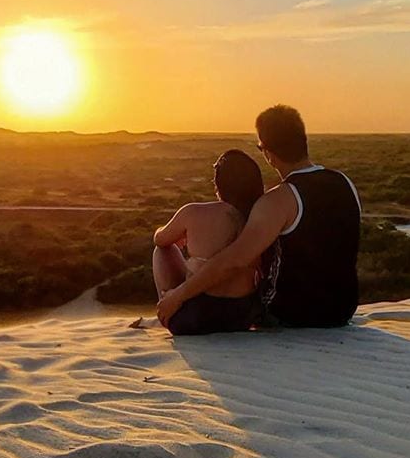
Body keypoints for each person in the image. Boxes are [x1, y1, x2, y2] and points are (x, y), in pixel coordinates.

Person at [157, 104, 361, 331]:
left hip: (291, 314)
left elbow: (234, 261)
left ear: (268, 154)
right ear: (303, 140)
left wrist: (178, 296)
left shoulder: (279, 200)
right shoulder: (345, 183)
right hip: (341, 312)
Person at [152, 148, 264, 335]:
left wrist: (179, 233)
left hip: (193, 318)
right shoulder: (260, 217)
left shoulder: (193, 212)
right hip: (241, 317)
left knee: (162, 250)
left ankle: (166, 307)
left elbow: (160, 239)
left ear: (218, 184)